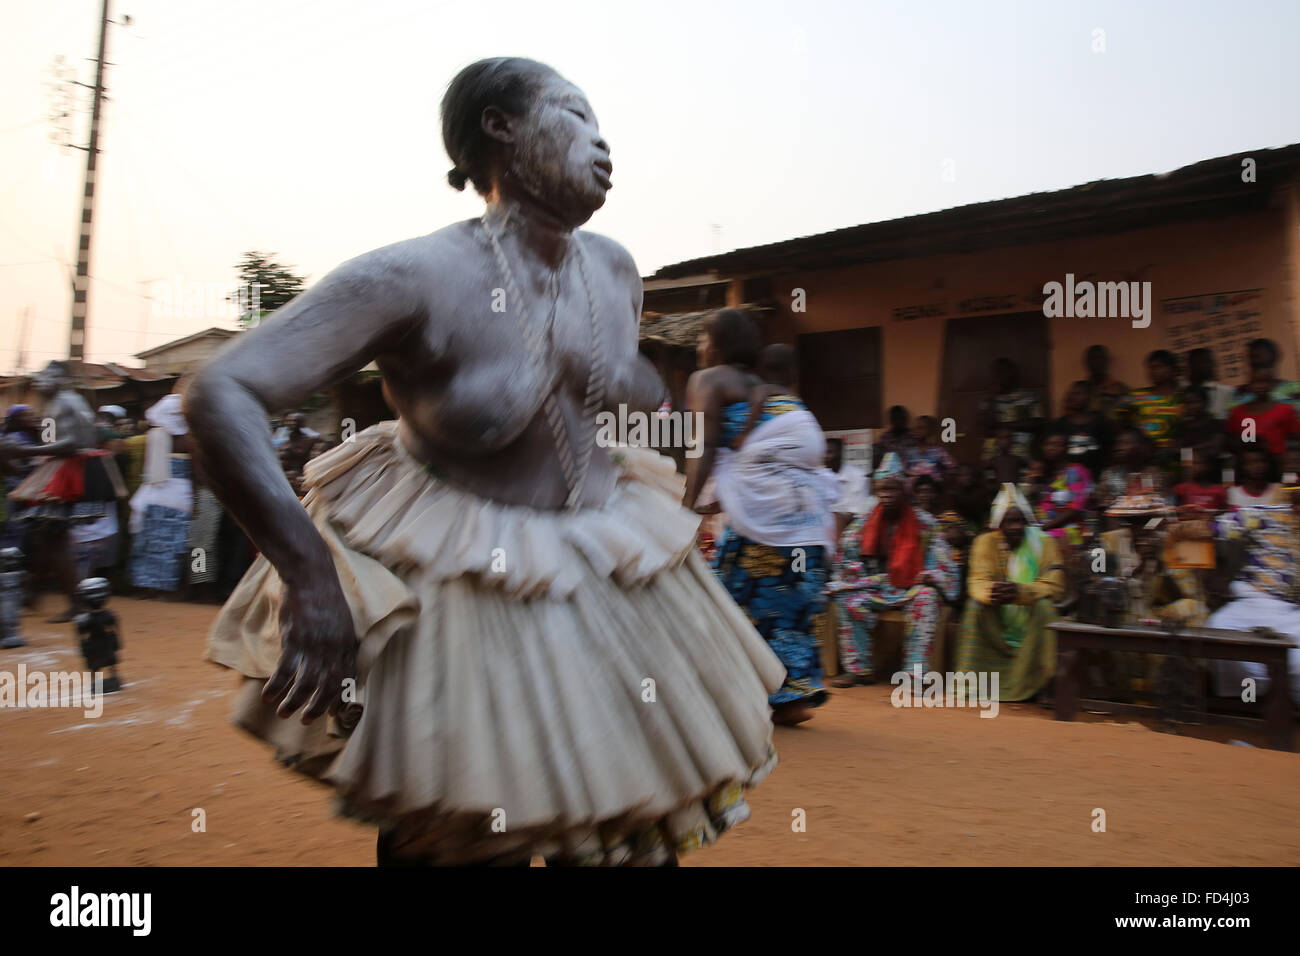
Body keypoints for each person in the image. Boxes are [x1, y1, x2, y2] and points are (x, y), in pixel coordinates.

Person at [189, 58, 784, 868]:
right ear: (500, 128)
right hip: (464, 592)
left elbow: (602, 415)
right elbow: (220, 392)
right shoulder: (416, 275)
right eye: (574, 116)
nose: (601, 142)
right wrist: (310, 571)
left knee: (624, 838)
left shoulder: (612, 268)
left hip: (606, 580)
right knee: (466, 839)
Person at [705, 337, 841, 726]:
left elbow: (739, 448)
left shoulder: (757, 397)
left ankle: (743, 694)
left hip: (767, 533)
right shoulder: (800, 411)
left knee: (729, 602)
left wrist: (741, 438)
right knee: (791, 615)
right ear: (795, 374)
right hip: (808, 529)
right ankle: (791, 697)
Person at [6, 361, 126, 621]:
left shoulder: (66, 402)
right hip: (62, 466)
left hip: (72, 469)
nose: (39, 382)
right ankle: (34, 593)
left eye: (46, 376)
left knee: (54, 535)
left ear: (61, 379)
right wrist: (35, 447)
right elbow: (51, 442)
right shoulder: (54, 404)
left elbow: (73, 443)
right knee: (47, 533)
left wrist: (26, 451)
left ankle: (72, 601)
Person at [826, 453, 958, 688]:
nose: (886, 495)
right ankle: (859, 670)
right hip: (876, 586)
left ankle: (914, 674)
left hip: (912, 587)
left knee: (926, 600)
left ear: (904, 491)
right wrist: (851, 571)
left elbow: (944, 564)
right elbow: (846, 559)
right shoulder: (863, 523)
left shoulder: (925, 523)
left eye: (892, 490)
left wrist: (931, 576)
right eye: (881, 490)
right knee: (847, 598)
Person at [954, 484, 1065, 702]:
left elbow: (1056, 586)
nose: (1015, 527)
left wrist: (1021, 592)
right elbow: (976, 581)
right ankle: (972, 682)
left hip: (1031, 616)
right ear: (999, 525)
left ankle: (1042, 685)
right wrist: (992, 592)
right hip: (998, 616)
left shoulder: (1045, 543)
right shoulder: (984, 542)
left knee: (1045, 607)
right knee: (974, 606)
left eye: (1020, 521)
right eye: (1010, 522)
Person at [129, 390, 194, 593]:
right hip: (173, 496)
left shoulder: (164, 437)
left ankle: (198, 587)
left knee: (197, 546)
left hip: (170, 495)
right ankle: (187, 588)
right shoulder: (170, 438)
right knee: (175, 544)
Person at [1114, 349, 1183, 474]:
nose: (1152, 372)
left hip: (1171, 461)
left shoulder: (1182, 398)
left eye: (1158, 367)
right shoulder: (1136, 396)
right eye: (1150, 368)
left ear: (1172, 369)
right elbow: (1117, 420)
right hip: (1140, 462)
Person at [1025, 428, 1092, 547]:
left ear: (1066, 448)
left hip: (1069, 529)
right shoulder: (1046, 474)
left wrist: (1043, 528)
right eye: (1048, 444)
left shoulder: (1076, 471)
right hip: (1043, 527)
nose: (1051, 448)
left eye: (1057, 445)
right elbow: (1035, 504)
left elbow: (1075, 509)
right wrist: (1033, 482)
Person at [980, 357, 1044, 464]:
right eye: (996, 372)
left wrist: (1002, 425)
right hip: (993, 457)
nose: (999, 376)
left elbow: (1037, 424)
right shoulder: (989, 400)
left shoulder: (1030, 397)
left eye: (1002, 371)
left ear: (1013, 373)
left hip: (1022, 455)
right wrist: (993, 397)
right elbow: (985, 428)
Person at [1226, 366, 1299, 457]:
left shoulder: (1286, 409)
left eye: (1265, 382)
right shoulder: (1237, 412)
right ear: (1249, 386)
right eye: (1255, 382)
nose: (1260, 386)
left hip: (1277, 463)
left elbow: (1296, 436)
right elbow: (1230, 438)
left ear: (1272, 385)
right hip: (1248, 465)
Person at [1053, 380, 1111, 479]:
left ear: (1089, 396)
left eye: (1078, 394)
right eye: (1071, 394)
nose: (1073, 397)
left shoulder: (1100, 421)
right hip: (1069, 480)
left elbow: (1108, 449)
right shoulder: (1060, 424)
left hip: (1096, 477)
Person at [1227, 337, 1300, 415]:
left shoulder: (1295, 389)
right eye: (1252, 356)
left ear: (1275, 357)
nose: (1256, 359)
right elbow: (1233, 417)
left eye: (1266, 366)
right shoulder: (1240, 392)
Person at [825, 437, 869, 539]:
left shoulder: (858, 476)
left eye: (829, 452)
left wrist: (835, 519)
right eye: (823, 453)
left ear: (840, 454)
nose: (825, 457)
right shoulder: (819, 476)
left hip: (851, 527)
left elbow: (858, 512)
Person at [1174, 449, 1228, 515]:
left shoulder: (1219, 491)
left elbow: (1224, 514)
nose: (1192, 467)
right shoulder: (1181, 489)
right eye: (1191, 463)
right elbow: (1175, 512)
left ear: (1207, 465)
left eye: (1197, 463)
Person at [1186, 347, 1234, 421]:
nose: (1201, 366)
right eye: (1195, 363)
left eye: (1205, 362)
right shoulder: (1183, 395)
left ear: (1213, 364)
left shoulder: (1229, 392)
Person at [1083, 344, 1129, 419]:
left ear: (1107, 361)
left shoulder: (1120, 389)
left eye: (1100, 358)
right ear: (1086, 362)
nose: (1096, 362)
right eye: (1092, 358)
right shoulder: (1080, 390)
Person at [906, 414, 956, 485]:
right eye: (915, 428)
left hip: (932, 493)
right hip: (914, 494)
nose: (917, 431)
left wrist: (941, 482)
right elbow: (905, 473)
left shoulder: (939, 452)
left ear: (930, 430)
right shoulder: (910, 452)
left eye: (921, 428)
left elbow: (953, 469)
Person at [876, 405, 917, 471]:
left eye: (900, 418)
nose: (897, 422)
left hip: (908, 474)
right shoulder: (885, 438)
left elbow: (916, 460)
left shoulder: (912, 437)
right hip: (888, 474)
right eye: (895, 418)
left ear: (904, 420)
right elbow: (879, 460)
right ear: (891, 420)